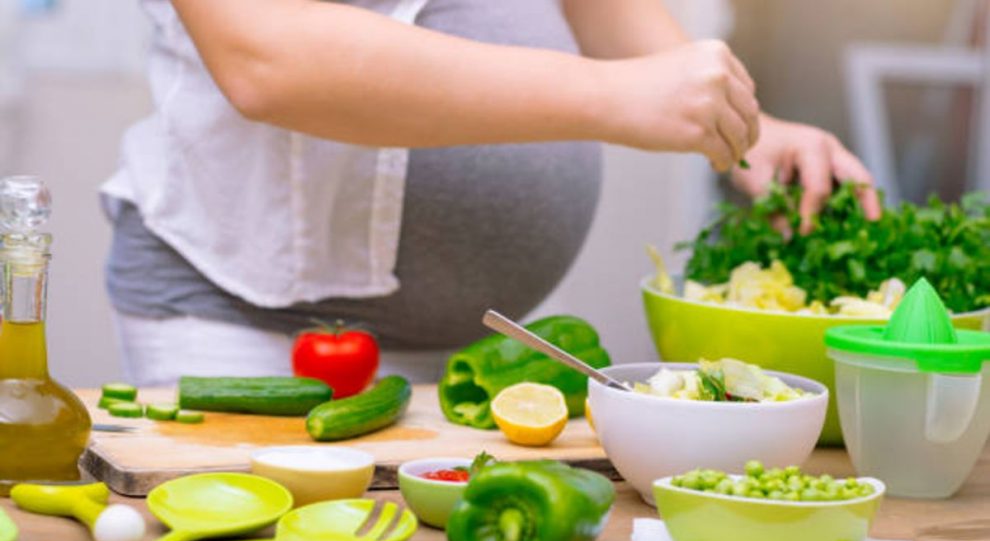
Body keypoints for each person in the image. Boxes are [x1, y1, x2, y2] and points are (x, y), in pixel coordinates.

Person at [102, 0, 880, 386]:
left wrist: (743, 126)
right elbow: (262, 53)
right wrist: (613, 96)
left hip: (469, 352)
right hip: (254, 324)